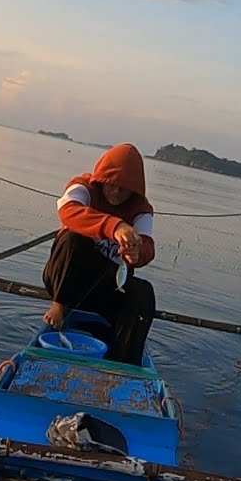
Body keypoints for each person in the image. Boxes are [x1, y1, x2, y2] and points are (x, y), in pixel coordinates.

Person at [43, 143, 156, 365]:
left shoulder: (141, 210)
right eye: (110, 185)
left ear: (134, 191)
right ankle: (59, 306)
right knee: (73, 239)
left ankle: (124, 361)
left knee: (143, 291)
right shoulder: (82, 187)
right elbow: (68, 211)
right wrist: (115, 227)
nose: (115, 192)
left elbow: (148, 248)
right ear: (100, 180)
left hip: (108, 286)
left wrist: (137, 253)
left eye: (123, 189)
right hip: (68, 281)